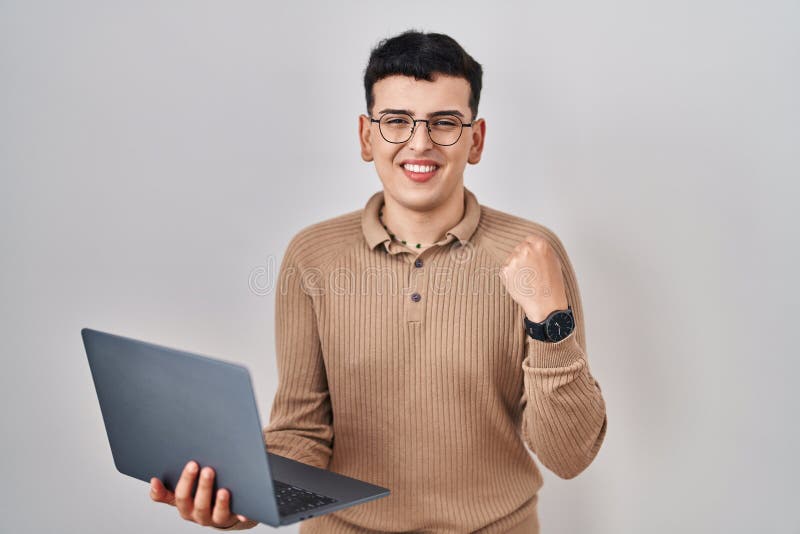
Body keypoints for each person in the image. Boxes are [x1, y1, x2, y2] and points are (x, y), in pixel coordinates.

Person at [150, 30, 607, 533]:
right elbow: (303, 430)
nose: (420, 143)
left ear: (475, 140)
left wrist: (550, 322)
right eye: (396, 122)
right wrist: (247, 500)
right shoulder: (312, 255)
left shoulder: (534, 253)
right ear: (367, 137)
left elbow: (569, 455)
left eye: (445, 123)